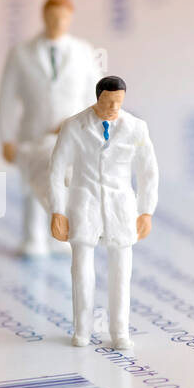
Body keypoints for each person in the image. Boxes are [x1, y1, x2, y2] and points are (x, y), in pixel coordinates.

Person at [48, 75, 159, 353]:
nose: (113, 107)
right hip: (84, 203)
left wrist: (146, 211)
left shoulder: (136, 127)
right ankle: (82, 329)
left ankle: (119, 331)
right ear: (98, 97)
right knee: (82, 271)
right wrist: (57, 211)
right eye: (108, 101)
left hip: (120, 207)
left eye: (118, 102)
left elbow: (148, 172)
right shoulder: (74, 126)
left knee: (121, 272)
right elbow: (57, 170)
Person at [0, 0, 101, 256]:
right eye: (52, 17)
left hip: (71, 134)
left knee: (66, 183)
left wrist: (90, 126)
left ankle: (62, 235)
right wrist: (6, 137)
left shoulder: (84, 52)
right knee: (32, 184)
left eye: (63, 18)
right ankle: (33, 237)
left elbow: (94, 95)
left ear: (70, 19)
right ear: (43, 17)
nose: (57, 22)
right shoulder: (21, 53)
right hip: (33, 133)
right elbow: (6, 99)